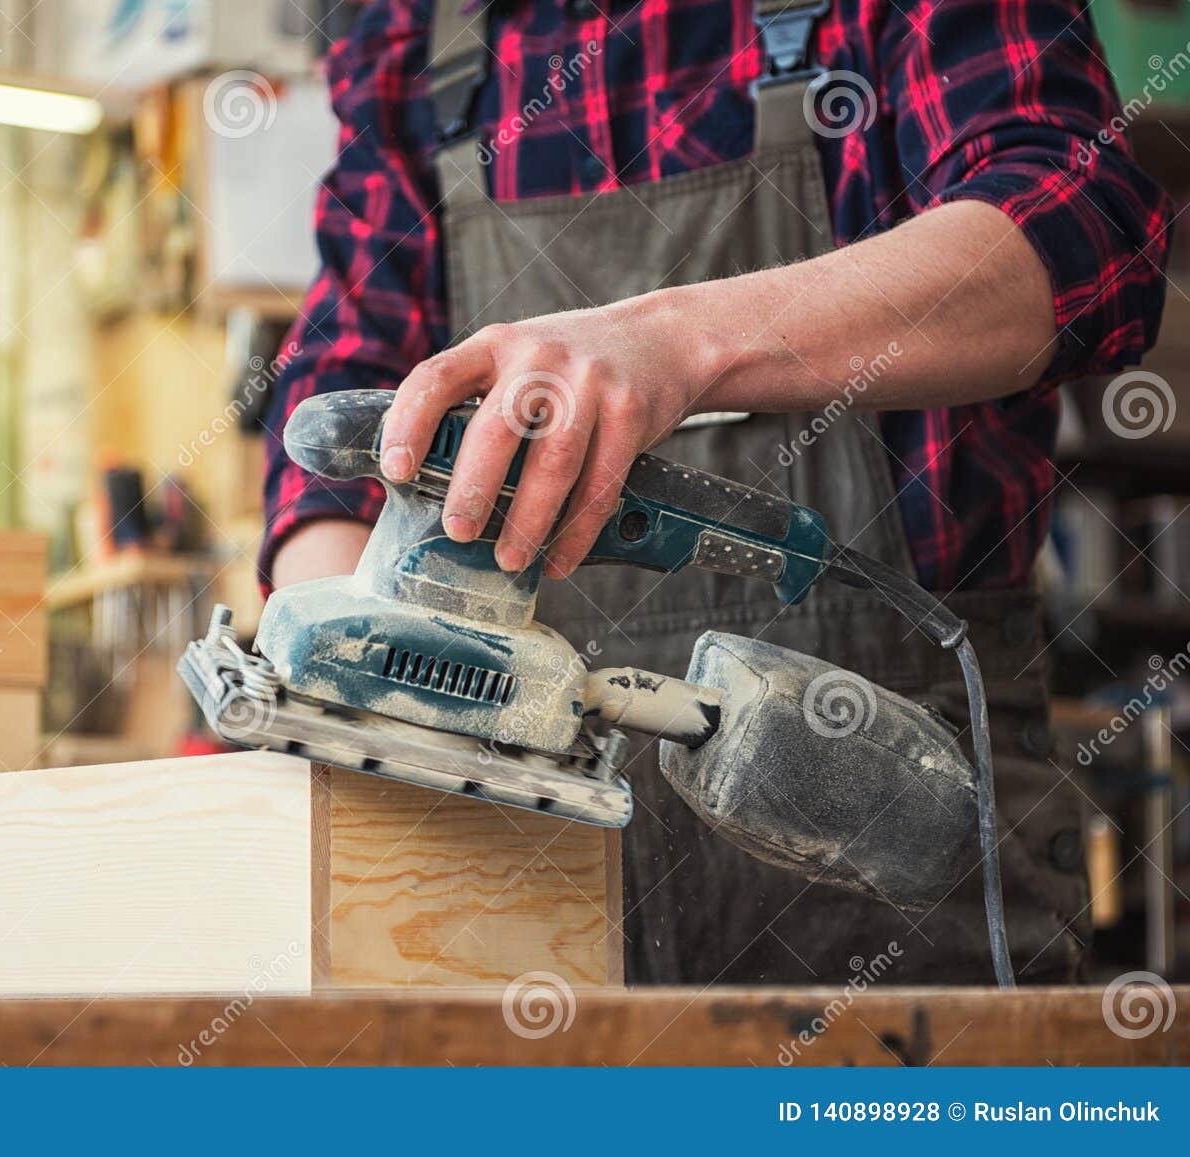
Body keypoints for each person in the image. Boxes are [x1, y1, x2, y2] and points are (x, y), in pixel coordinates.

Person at [259, 0, 1171, 983]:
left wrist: (680, 341)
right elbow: (340, 397)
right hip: (503, 867)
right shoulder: (410, 35)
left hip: (889, 820)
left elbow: (1077, 231)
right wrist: (353, 683)